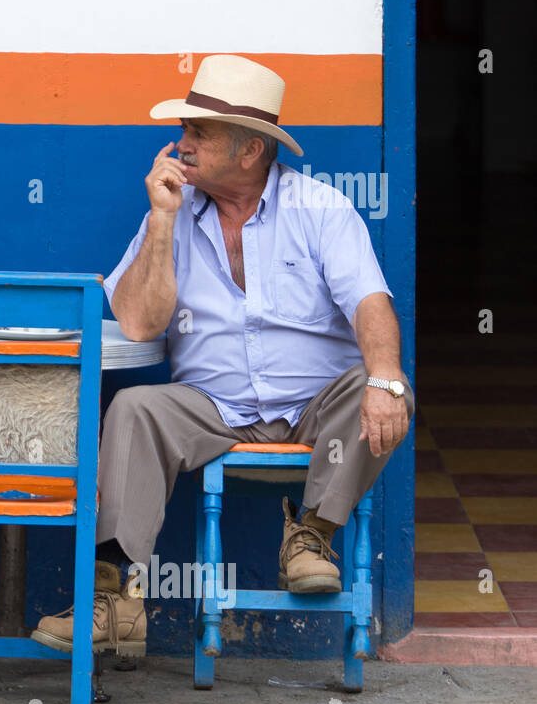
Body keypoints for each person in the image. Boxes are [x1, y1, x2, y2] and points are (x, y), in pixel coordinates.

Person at [33, 55, 413, 654]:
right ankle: (113, 598)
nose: (181, 143)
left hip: (315, 407)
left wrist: (386, 377)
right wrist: (162, 221)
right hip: (211, 407)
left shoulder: (320, 209)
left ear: (250, 151)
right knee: (134, 407)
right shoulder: (174, 210)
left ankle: (310, 535)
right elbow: (137, 322)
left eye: (197, 133)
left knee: (383, 382)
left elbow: (371, 303)